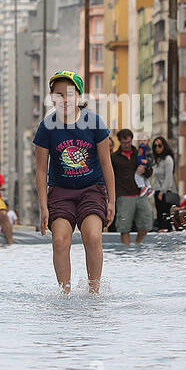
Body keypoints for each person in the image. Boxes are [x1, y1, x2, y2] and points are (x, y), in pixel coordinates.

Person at [34, 69, 115, 293]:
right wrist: (43, 206)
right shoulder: (46, 127)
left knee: (92, 236)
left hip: (92, 190)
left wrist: (112, 201)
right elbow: (41, 171)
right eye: (58, 94)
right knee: (60, 240)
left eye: (69, 94)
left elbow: (107, 164)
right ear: (52, 97)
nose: (64, 99)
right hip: (61, 192)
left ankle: (94, 291)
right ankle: (65, 293)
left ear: (79, 96)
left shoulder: (95, 123)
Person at [110, 128, 154, 245]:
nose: (126, 145)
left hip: (141, 194)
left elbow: (150, 173)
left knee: (146, 223)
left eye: (129, 142)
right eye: (124, 143)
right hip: (124, 195)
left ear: (131, 140)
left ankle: (136, 246)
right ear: (119, 141)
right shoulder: (114, 157)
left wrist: (145, 170)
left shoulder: (139, 154)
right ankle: (126, 252)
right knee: (124, 227)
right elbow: (109, 176)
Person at [148, 136, 178, 231]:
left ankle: (167, 235)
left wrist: (163, 191)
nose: (157, 148)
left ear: (164, 146)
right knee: (160, 215)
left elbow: (169, 177)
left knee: (165, 216)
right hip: (157, 191)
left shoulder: (168, 159)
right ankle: (162, 234)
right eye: (155, 146)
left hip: (165, 192)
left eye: (159, 145)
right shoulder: (157, 160)